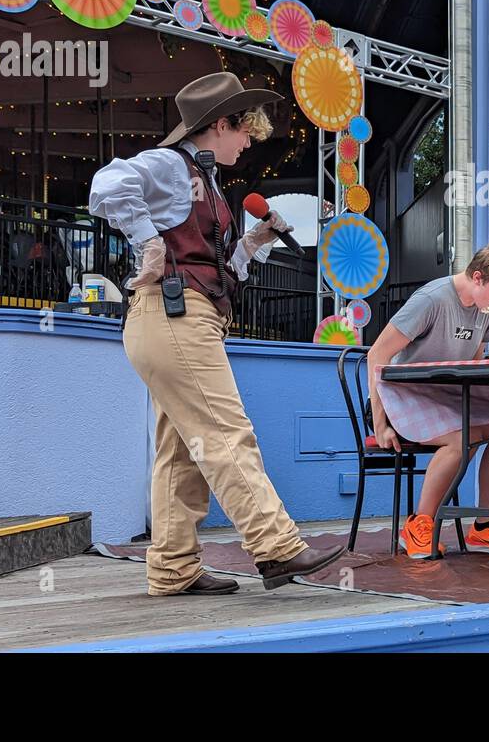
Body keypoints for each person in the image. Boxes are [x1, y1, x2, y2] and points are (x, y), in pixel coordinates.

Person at [89, 72, 345, 595]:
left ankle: (173, 569)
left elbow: (217, 267)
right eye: (247, 131)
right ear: (222, 124)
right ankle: (275, 547)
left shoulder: (207, 182)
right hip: (173, 318)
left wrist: (254, 240)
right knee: (226, 433)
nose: (250, 142)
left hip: (176, 320)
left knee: (181, 451)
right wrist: (148, 243)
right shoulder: (170, 165)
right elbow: (107, 185)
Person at [366, 243, 489, 559]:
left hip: (447, 399)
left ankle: (484, 529)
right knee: (464, 438)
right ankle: (419, 524)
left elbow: (472, 364)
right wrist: (380, 423)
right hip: (400, 398)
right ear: (479, 278)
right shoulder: (431, 300)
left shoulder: (487, 312)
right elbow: (378, 354)